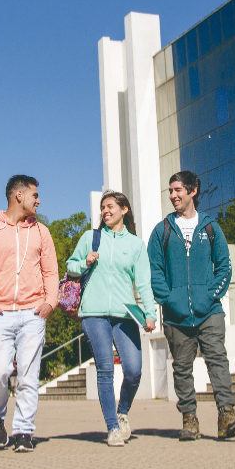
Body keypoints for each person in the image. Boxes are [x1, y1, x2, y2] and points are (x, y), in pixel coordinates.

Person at [148, 171, 235, 441]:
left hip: (210, 311)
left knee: (218, 360)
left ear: (193, 191)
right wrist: (168, 299)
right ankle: (189, 420)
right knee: (182, 368)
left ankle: (227, 415)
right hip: (175, 315)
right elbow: (154, 270)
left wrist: (210, 295)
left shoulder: (211, 227)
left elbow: (224, 267)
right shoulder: (163, 230)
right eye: (170, 191)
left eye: (178, 190)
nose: (173, 196)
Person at [0, 175, 59, 452]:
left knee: (29, 376)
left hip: (33, 314)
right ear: (18, 195)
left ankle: (23, 432)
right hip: (0, 315)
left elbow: (51, 271)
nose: (38, 200)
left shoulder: (41, 232)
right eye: (35, 195)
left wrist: (49, 303)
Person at [65, 191, 157, 447]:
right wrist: (84, 261)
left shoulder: (136, 245)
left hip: (125, 313)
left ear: (124, 210)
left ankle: (123, 411)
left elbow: (144, 283)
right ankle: (113, 427)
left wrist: (150, 313)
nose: (105, 211)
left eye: (110, 207)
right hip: (93, 313)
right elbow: (70, 266)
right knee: (105, 369)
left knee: (134, 370)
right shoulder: (90, 238)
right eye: (103, 208)